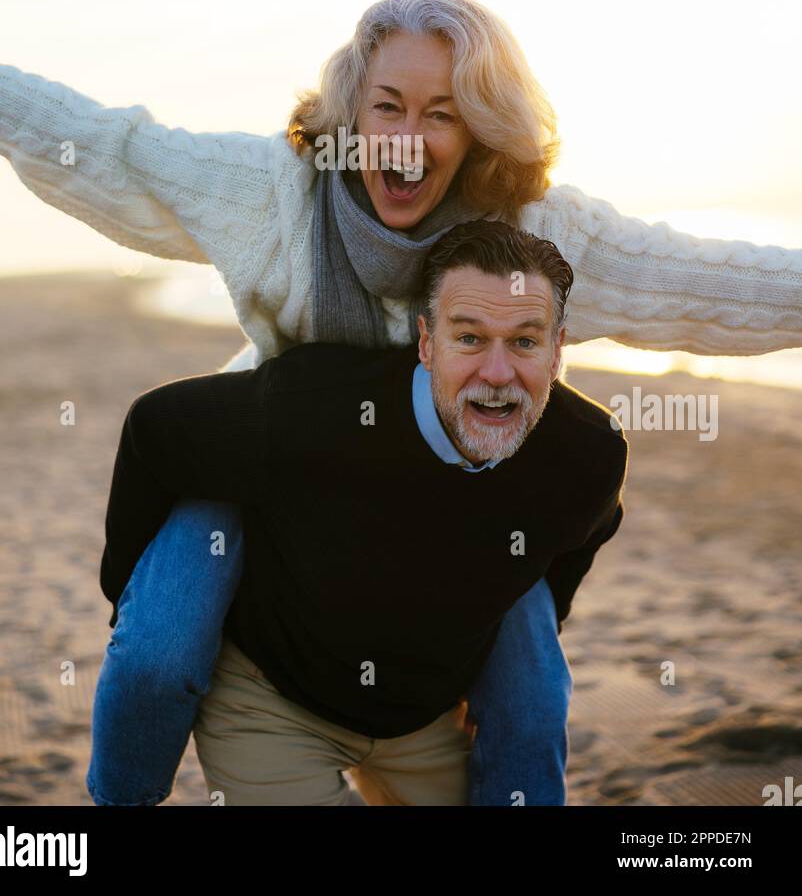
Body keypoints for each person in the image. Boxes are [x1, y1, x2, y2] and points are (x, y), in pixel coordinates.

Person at [0, 0, 799, 806]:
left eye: (443, 113)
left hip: (465, 495)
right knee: (157, 651)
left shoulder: (537, 230)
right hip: (266, 470)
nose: (406, 138)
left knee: (534, 693)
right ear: (352, 113)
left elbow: (697, 283)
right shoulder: (277, 196)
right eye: (388, 106)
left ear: (482, 129)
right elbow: (111, 148)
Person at [98, 221, 628, 805]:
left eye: (525, 341)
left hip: (429, 721)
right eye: (470, 339)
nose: (497, 375)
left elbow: (582, 537)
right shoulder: (310, 410)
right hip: (273, 703)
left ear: (557, 351)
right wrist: (131, 602)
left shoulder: (590, 453)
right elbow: (153, 428)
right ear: (426, 344)